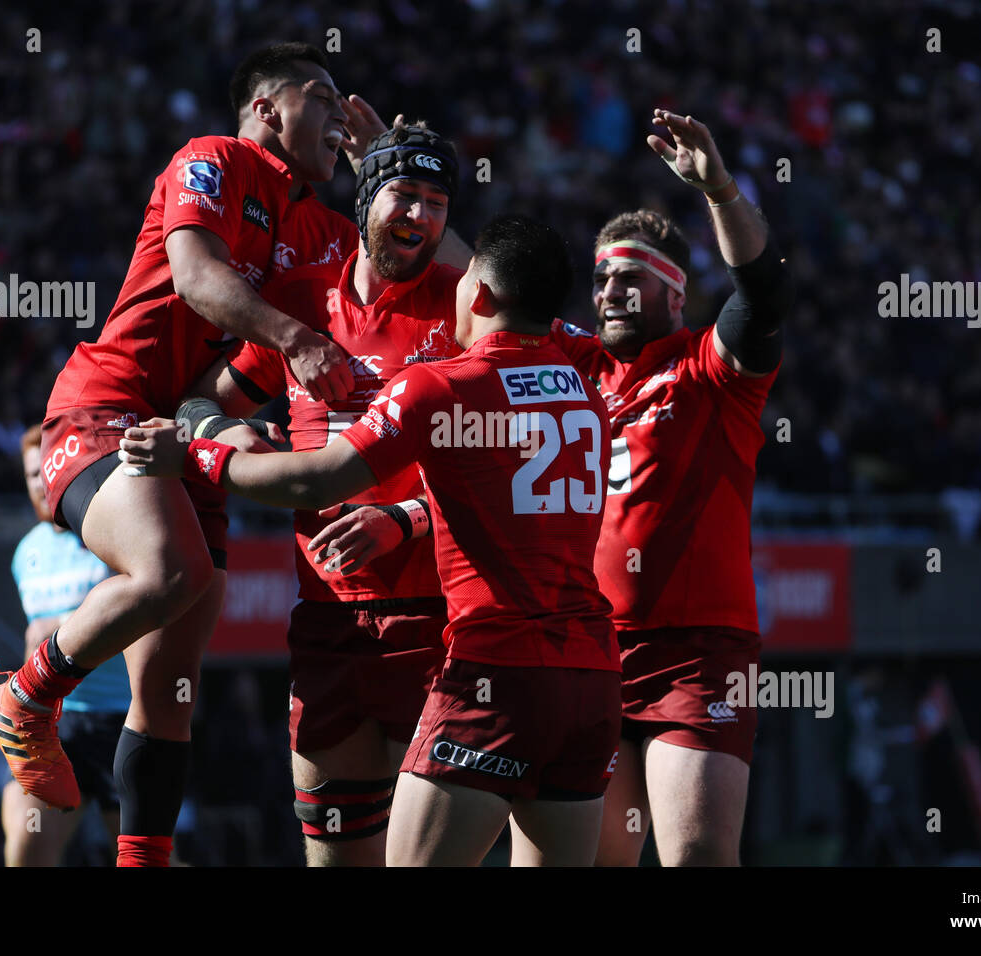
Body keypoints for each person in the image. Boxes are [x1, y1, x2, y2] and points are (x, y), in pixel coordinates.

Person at [120, 215, 621, 866]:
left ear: (481, 298)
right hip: (591, 684)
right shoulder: (586, 395)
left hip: (496, 675)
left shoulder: (439, 387)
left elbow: (312, 481)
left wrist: (197, 453)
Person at [0, 42, 361, 867]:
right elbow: (193, 277)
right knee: (171, 571)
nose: (339, 112)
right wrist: (294, 340)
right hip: (106, 408)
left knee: (169, 695)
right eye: (322, 96)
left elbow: (439, 265)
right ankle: (22, 697)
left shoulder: (324, 229)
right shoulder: (214, 159)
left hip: (185, 434)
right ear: (267, 109)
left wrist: (392, 167)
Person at [183, 120, 467, 865]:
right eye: (405, 194)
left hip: (442, 621)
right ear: (367, 195)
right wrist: (222, 435)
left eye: (439, 202)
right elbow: (194, 408)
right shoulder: (303, 304)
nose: (421, 215)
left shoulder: (465, 313)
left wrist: (404, 520)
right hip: (327, 623)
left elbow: (514, 463)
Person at [548, 109, 793, 865]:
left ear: (675, 296)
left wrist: (718, 189)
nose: (611, 290)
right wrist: (391, 180)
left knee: (695, 858)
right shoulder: (573, 373)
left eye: (631, 277)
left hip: (697, 653)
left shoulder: (709, 371)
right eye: (601, 278)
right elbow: (486, 284)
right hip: (591, 650)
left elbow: (764, 294)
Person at [3, 426, 131, 865]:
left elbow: (139, 615)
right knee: (26, 849)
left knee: (145, 860)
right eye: (29, 475)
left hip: (123, 723)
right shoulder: (25, 554)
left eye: (45, 470)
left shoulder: (109, 536)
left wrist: (58, 627)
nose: (39, 482)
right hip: (57, 728)